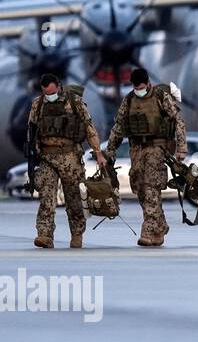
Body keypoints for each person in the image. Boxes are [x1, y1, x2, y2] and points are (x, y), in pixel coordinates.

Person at [105, 68, 188, 246]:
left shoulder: (160, 96)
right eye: (136, 87)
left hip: (156, 149)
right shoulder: (129, 100)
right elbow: (119, 127)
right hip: (136, 149)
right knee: (140, 190)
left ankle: (148, 231)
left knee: (151, 188)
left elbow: (178, 120)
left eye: (141, 87)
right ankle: (160, 226)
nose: (139, 90)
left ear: (148, 83)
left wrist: (182, 148)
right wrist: (110, 151)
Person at [28, 73, 105, 248]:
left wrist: (98, 152)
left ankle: (77, 234)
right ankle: (44, 235)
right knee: (46, 197)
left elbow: (89, 128)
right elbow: (31, 130)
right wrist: (33, 154)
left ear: (59, 86)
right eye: (47, 93)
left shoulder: (74, 102)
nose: (50, 96)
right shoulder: (38, 104)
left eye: (52, 92)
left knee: (74, 198)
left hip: (70, 156)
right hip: (47, 157)